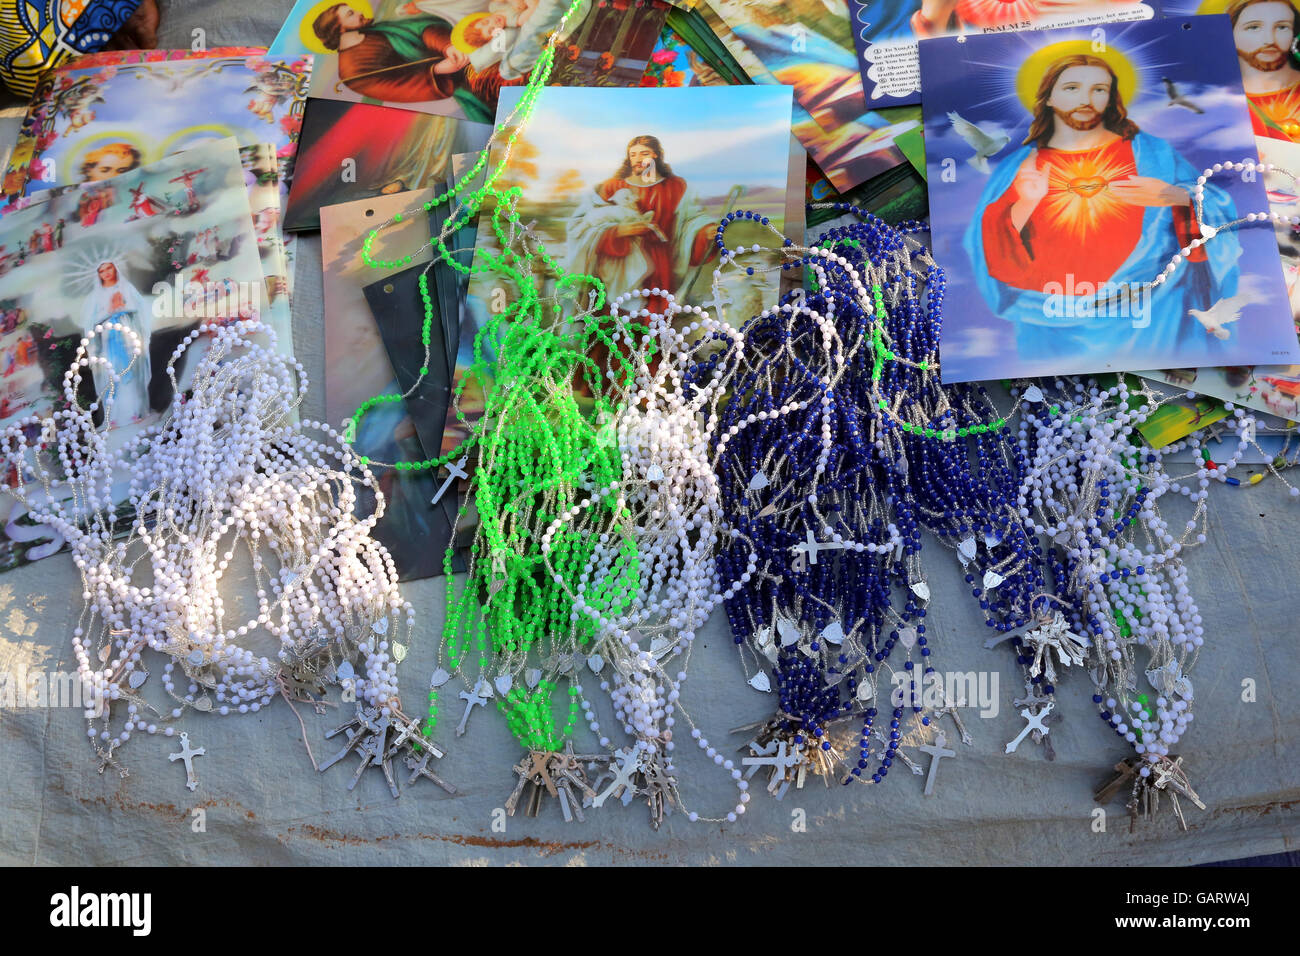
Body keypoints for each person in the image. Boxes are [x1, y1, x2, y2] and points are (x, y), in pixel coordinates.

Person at [966, 53, 1239, 367]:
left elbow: (1217, 207)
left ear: (1111, 98)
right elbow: (993, 246)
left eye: (1099, 89)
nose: (1086, 99)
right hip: (1052, 318)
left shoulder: (1151, 152)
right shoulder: (1021, 166)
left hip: (1150, 312)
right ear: (1049, 97)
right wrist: (1027, 202)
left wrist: (1177, 195)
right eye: (1071, 88)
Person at [566, 135, 716, 315]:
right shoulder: (611, 187)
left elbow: (690, 220)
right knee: (616, 321)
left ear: (656, 156)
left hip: (660, 267)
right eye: (633, 155)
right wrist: (618, 231)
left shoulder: (676, 187)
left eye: (644, 153)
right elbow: (582, 225)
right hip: (619, 265)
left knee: (655, 322)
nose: (637, 159)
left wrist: (704, 231)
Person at [312, 3, 469, 103]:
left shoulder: (375, 29)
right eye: (350, 14)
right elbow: (399, 89)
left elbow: (419, 29)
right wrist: (437, 69)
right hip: (456, 81)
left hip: (458, 54)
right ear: (338, 29)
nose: (359, 12)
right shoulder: (351, 71)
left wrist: (447, 46)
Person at [81, 260, 152, 428]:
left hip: (127, 333)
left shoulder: (126, 288)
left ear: (115, 269)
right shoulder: (95, 296)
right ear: (98, 274)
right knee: (112, 372)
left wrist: (123, 307)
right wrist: (110, 310)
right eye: (102, 270)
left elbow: (141, 308)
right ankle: (114, 417)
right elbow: (90, 321)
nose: (106, 273)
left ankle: (135, 412)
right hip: (108, 336)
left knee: (131, 370)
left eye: (109, 268)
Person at [1228, 0, 1300, 140]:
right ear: (1231, 32)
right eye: (1254, 27)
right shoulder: (1215, 99)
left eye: (1282, 27)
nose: (1269, 40)